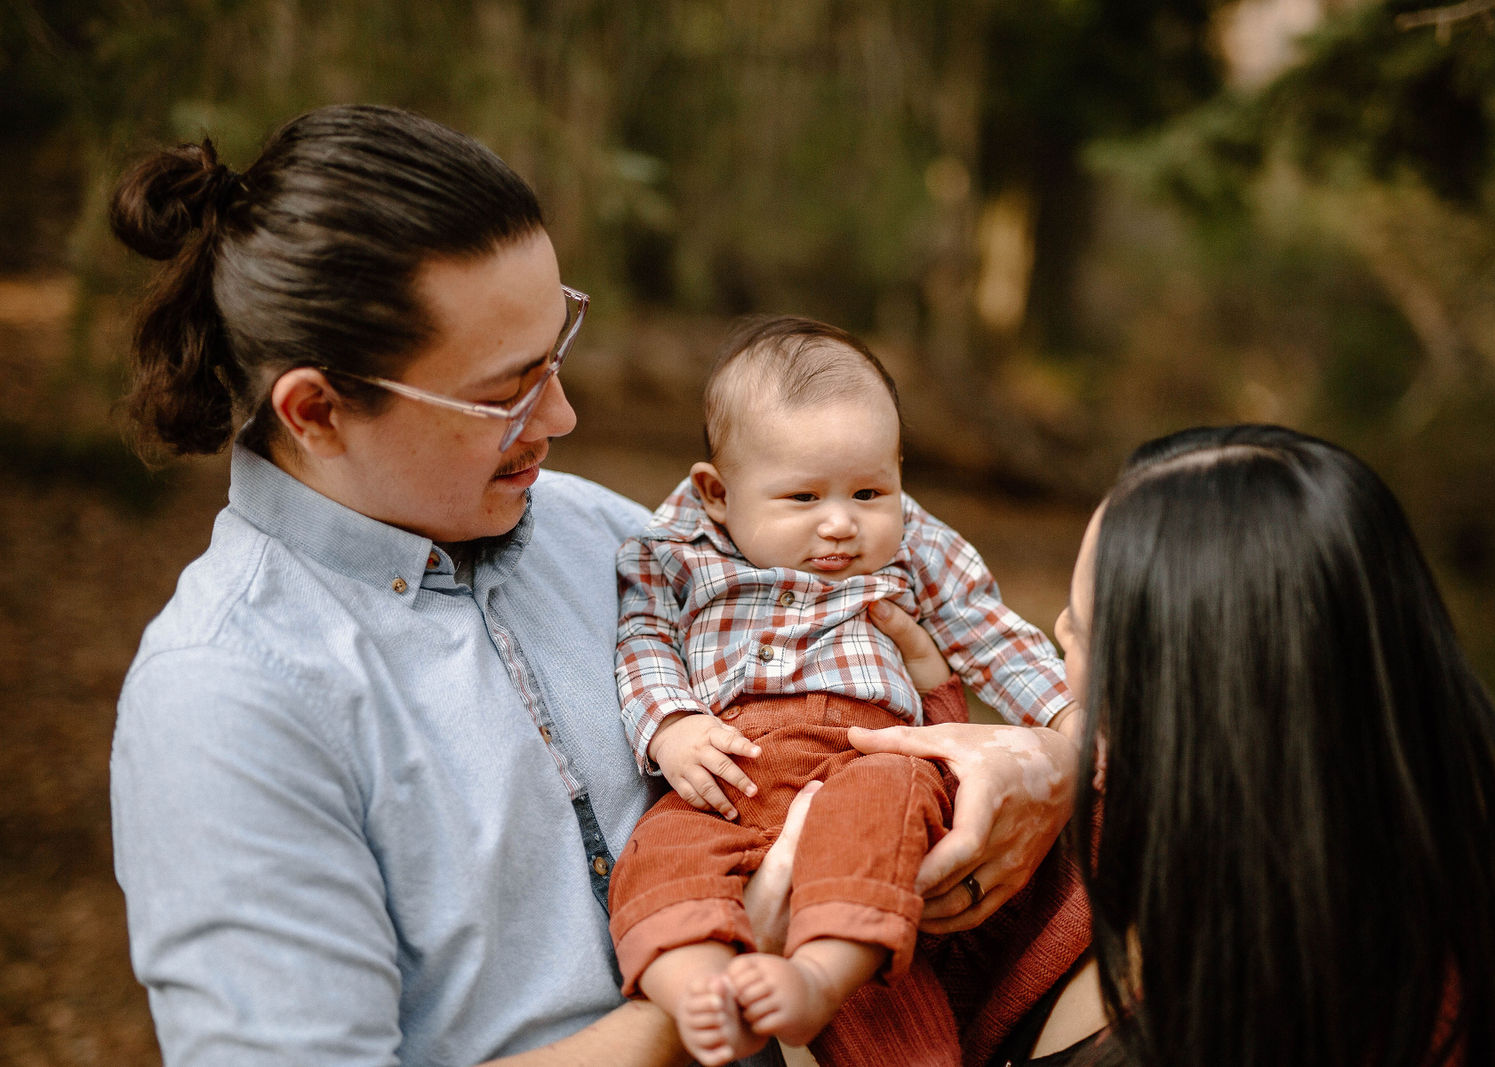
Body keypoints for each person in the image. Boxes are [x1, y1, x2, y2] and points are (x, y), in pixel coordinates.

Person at [105, 104, 1083, 1067]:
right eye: (506, 392)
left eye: (556, 353)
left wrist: (1036, 765)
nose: (564, 416)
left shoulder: (605, 534)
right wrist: (728, 976)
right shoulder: (229, 695)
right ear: (317, 410)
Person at [946, 424, 1495, 1066]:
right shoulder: (1126, 843)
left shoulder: (1347, 1014)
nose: (1060, 627)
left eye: (1087, 631)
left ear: (1201, 694)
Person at [606, 317, 1081, 1064]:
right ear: (717, 493)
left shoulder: (914, 542)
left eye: (869, 490)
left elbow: (985, 629)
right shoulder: (673, 551)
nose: (839, 524)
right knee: (663, 849)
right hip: (729, 764)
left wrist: (1067, 712)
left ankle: (821, 974)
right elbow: (643, 642)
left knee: (882, 820)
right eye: (801, 497)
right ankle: (698, 986)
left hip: (868, 752)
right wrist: (671, 728)